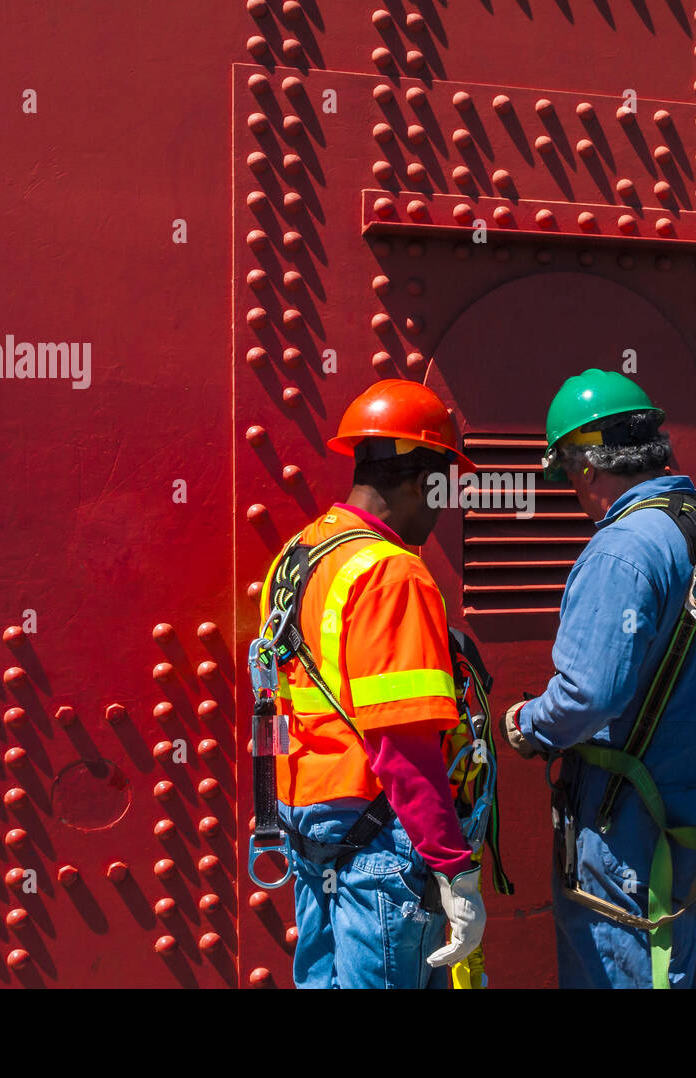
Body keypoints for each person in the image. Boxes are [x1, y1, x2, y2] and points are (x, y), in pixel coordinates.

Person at [503, 368, 696, 989]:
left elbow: (589, 696)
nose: (573, 491)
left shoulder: (621, 549)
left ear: (588, 467)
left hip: (633, 846)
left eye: (569, 475)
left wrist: (527, 723)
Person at [261, 379, 485, 989]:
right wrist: (454, 869)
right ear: (419, 483)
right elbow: (403, 744)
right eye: (442, 491)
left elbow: (277, 705)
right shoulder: (392, 574)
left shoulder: (299, 554)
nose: (441, 511)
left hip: (309, 824)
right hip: (379, 834)